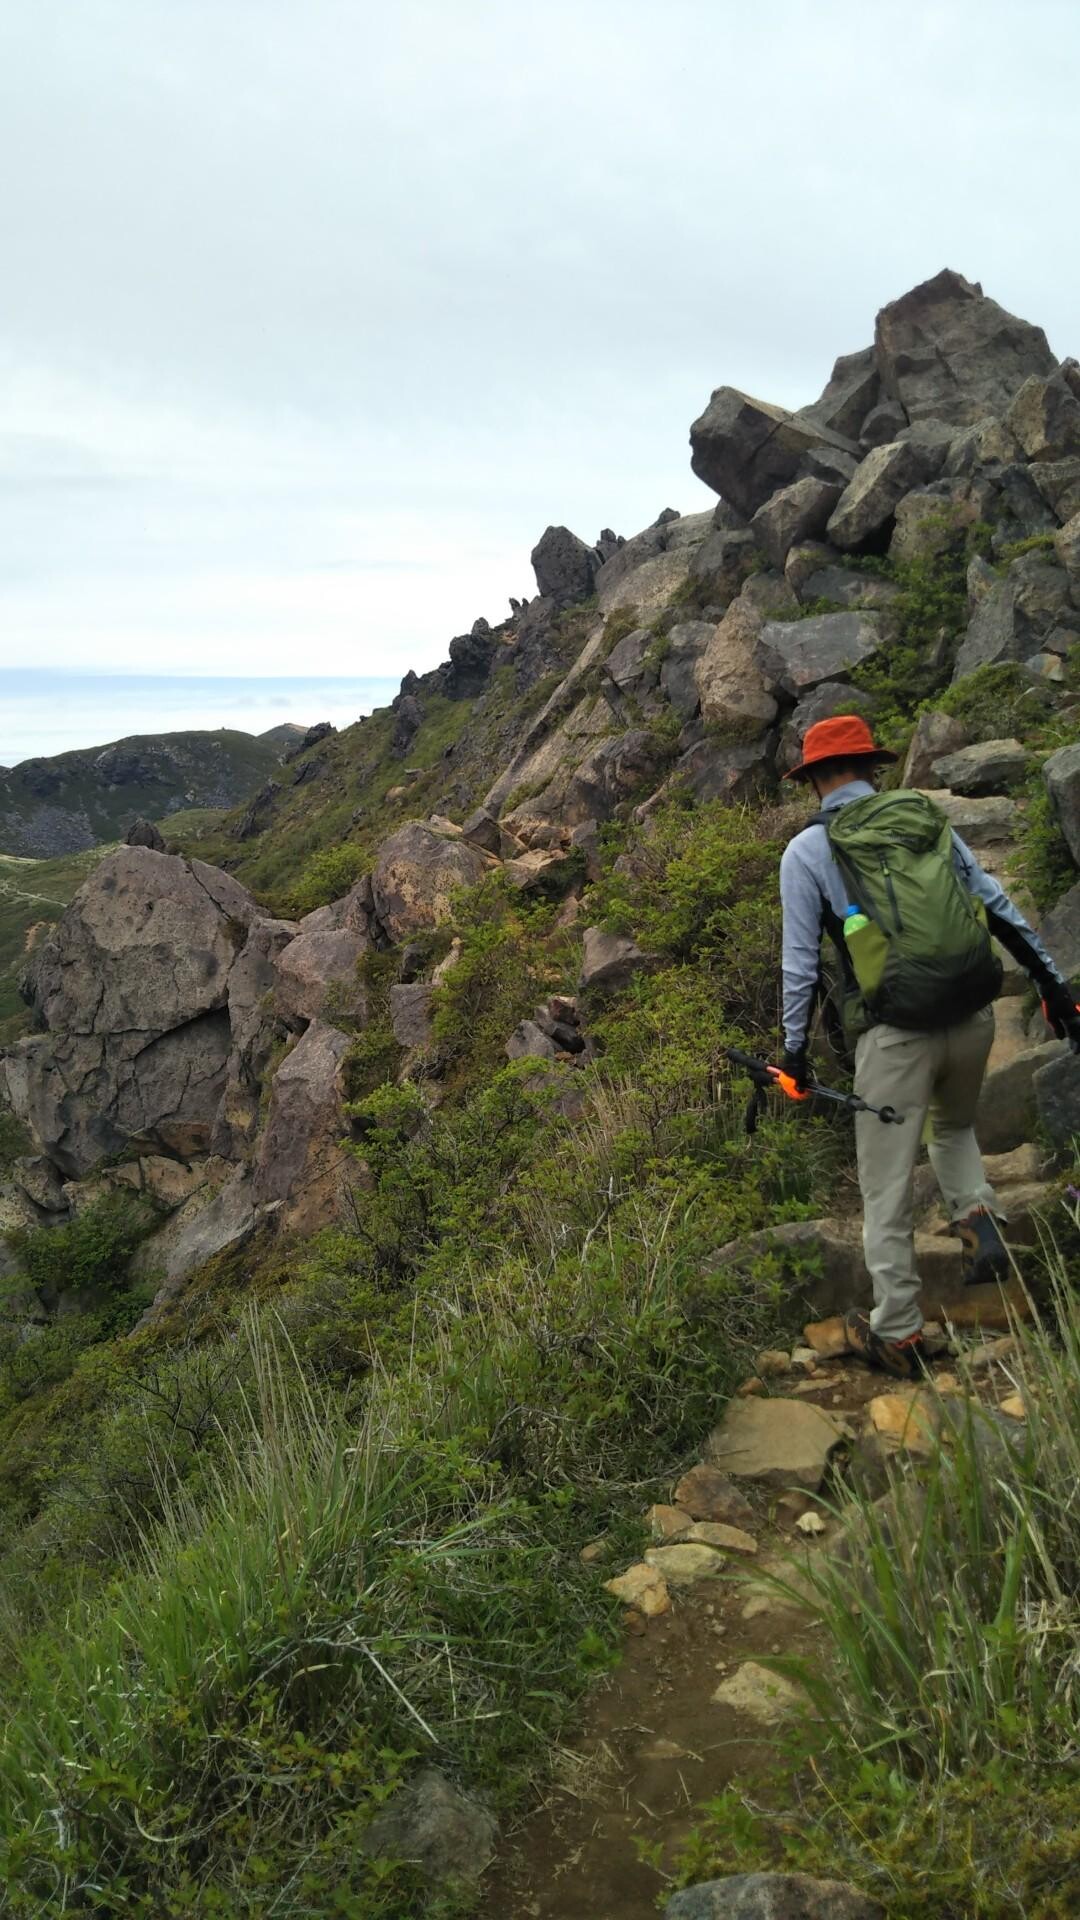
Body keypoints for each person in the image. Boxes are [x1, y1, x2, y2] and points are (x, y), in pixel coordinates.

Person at [779, 714, 1080, 1378]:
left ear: (815, 782)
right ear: (870, 769)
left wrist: (794, 1056)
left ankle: (899, 1331)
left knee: (884, 1189)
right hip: (972, 1018)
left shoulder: (806, 852)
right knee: (955, 1127)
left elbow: (799, 967)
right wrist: (1055, 992)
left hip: (895, 1040)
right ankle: (978, 1210)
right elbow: (997, 905)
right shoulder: (923, 821)